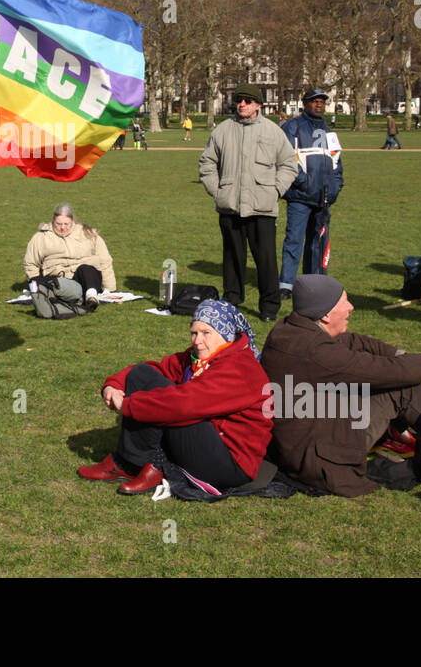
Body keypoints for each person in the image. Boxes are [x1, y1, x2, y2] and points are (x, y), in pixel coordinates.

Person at [260, 274, 421, 497]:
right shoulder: (315, 351)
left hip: (302, 444)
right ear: (325, 314)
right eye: (344, 302)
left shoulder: (292, 330)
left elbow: (354, 341)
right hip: (317, 459)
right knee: (400, 389)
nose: (351, 307)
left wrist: (401, 354)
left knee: (383, 383)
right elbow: (384, 371)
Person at [77, 299, 272, 496]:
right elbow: (157, 370)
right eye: (194, 333)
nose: (197, 341)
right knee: (142, 374)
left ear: (226, 335)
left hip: (229, 463)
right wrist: (114, 385)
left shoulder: (240, 368)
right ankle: (130, 463)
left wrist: (128, 405)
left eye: (206, 333)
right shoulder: (197, 358)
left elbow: (185, 404)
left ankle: (141, 464)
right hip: (207, 438)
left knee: (172, 405)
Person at [198, 84, 298, 322]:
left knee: (266, 260)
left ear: (258, 105)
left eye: (247, 101)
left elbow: (289, 165)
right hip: (230, 207)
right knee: (232, 258)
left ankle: (269, 307)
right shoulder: (222, 131)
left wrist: (275, 190)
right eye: (239, 100)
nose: (242, 104)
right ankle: (232, 302)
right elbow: (207, 163)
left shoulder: (273, 132)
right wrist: (218, 191)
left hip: (262, 208)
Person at [279, 87, 344, 300]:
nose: (319, 105)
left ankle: (312, 282)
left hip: (323, 197)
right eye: (314, 101)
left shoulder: (328, 131)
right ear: (304, 103)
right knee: (294, 240)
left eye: (322, 102)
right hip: (300, 196)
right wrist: (304, 183)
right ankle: (286, 284)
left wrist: (336, 186)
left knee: (317, 242)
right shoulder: (293, 127)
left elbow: (337, 162)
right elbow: (287, 159)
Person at [22, 203, 116, 308]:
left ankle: (91, 296)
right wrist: (36, 287)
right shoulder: (41, 238)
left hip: (87, 280)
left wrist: (110, 289)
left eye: (66, 224)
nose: (62, 227)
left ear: (72, 221)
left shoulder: (87, 233)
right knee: (55, 282)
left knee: (86, 269)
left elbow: (105, 260)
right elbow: (30, 263)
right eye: (58, 224)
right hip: (60, 281)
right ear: (53, 221)